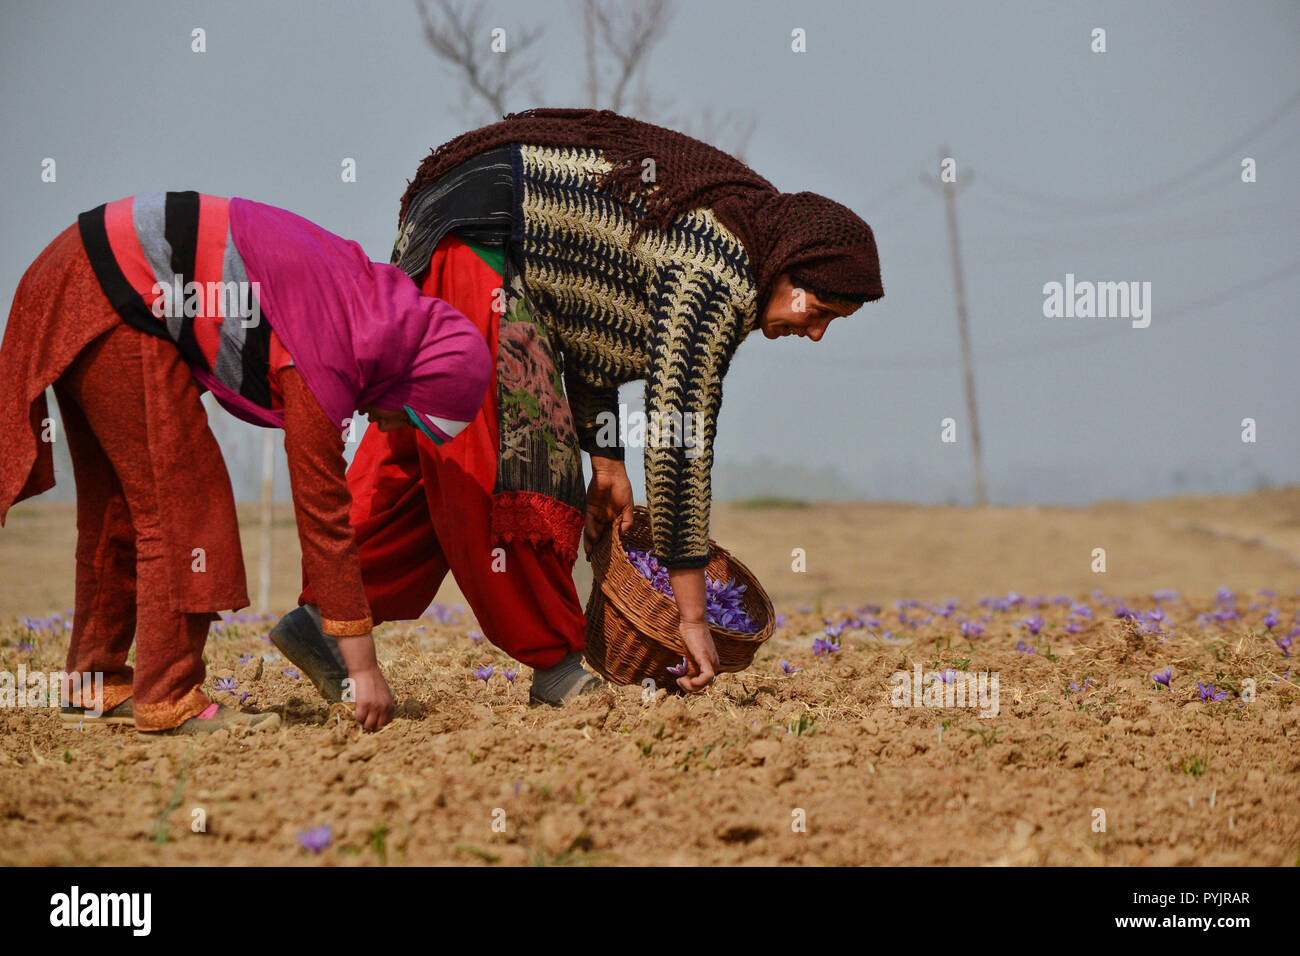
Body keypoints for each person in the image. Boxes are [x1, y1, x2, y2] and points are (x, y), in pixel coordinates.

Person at [271, 108, 883, 707]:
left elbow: (589, 330)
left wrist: (608, 463)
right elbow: (678, 441)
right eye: (819, 311)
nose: (817, 333)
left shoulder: (738, 238)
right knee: (518, 453)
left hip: (464, 231)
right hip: (483, 245)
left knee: (433, 448)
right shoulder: (717, 275)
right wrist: (692, 615)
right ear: (790, 270)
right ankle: (554, 661)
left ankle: (328, 615)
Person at [0, 192, 492, 733]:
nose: (391, 426)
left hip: (85, 271)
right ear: (415, 378)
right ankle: (169, 698)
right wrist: (362, 668)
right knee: (186, 503)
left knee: (120, 505)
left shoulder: (364, 304)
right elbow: (323, 515)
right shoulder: (331, 343)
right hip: (115, 282)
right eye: (411, 417)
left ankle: (94, 683)